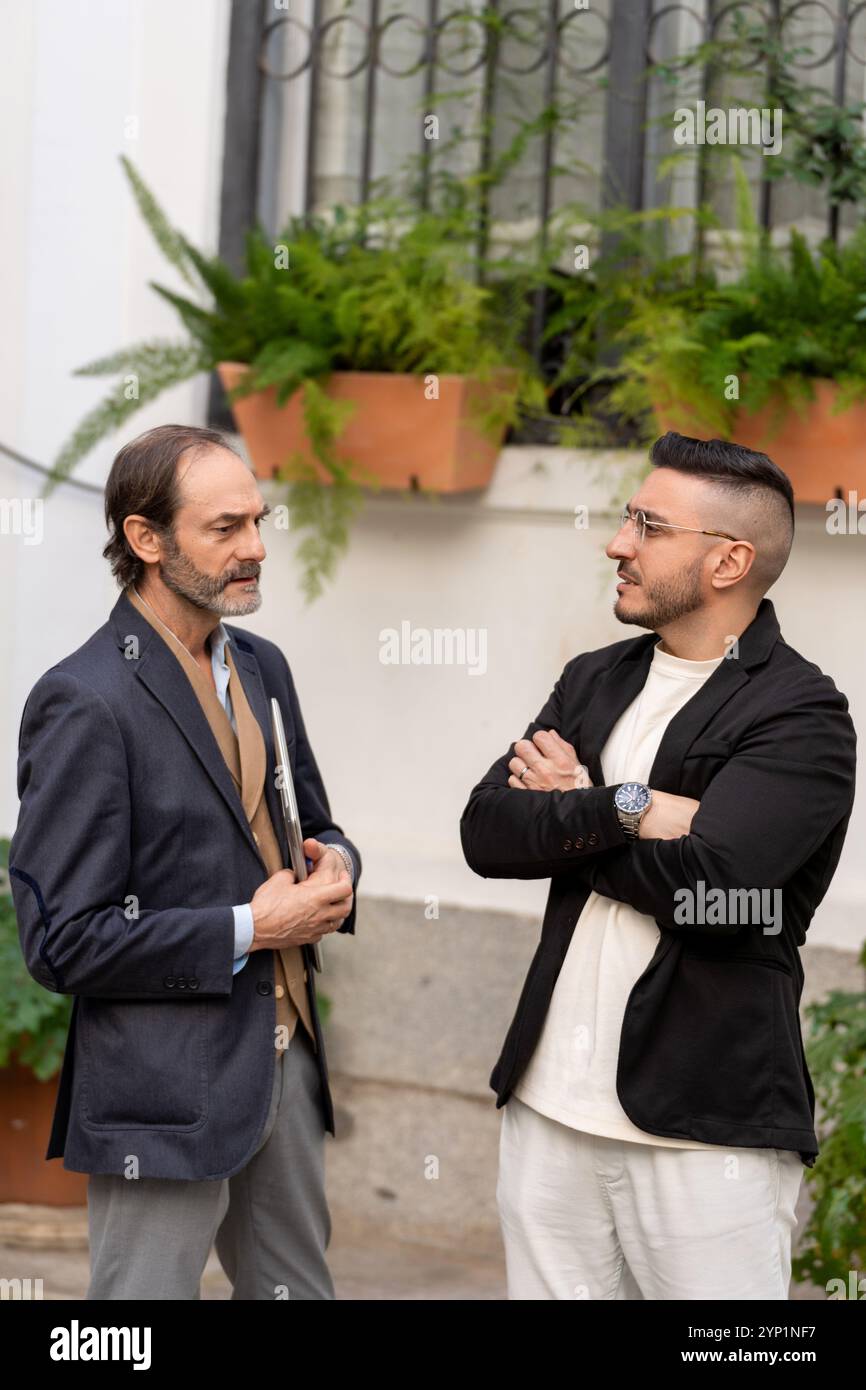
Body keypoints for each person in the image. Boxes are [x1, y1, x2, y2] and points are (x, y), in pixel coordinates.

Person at [460, 432, 857, 1300]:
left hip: (703, 1132)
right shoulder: (593, 678)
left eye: (647, 525)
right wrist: (633, 807)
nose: (617, 543)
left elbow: (721, 894)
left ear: (728, 561)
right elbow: (488, 832)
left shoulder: (802, 715)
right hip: (549, 1110)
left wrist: (572, 809)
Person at [9, 423, 361, 1300]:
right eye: (225, 528)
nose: (256, 547)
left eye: (258, 520)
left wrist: (339, 865)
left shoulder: (265, 668)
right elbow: (63, 942)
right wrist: (252, 926)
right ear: (146, 539)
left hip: (288, 1054)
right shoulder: (85, 700)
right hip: (160, 1089)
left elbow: (311, 820)